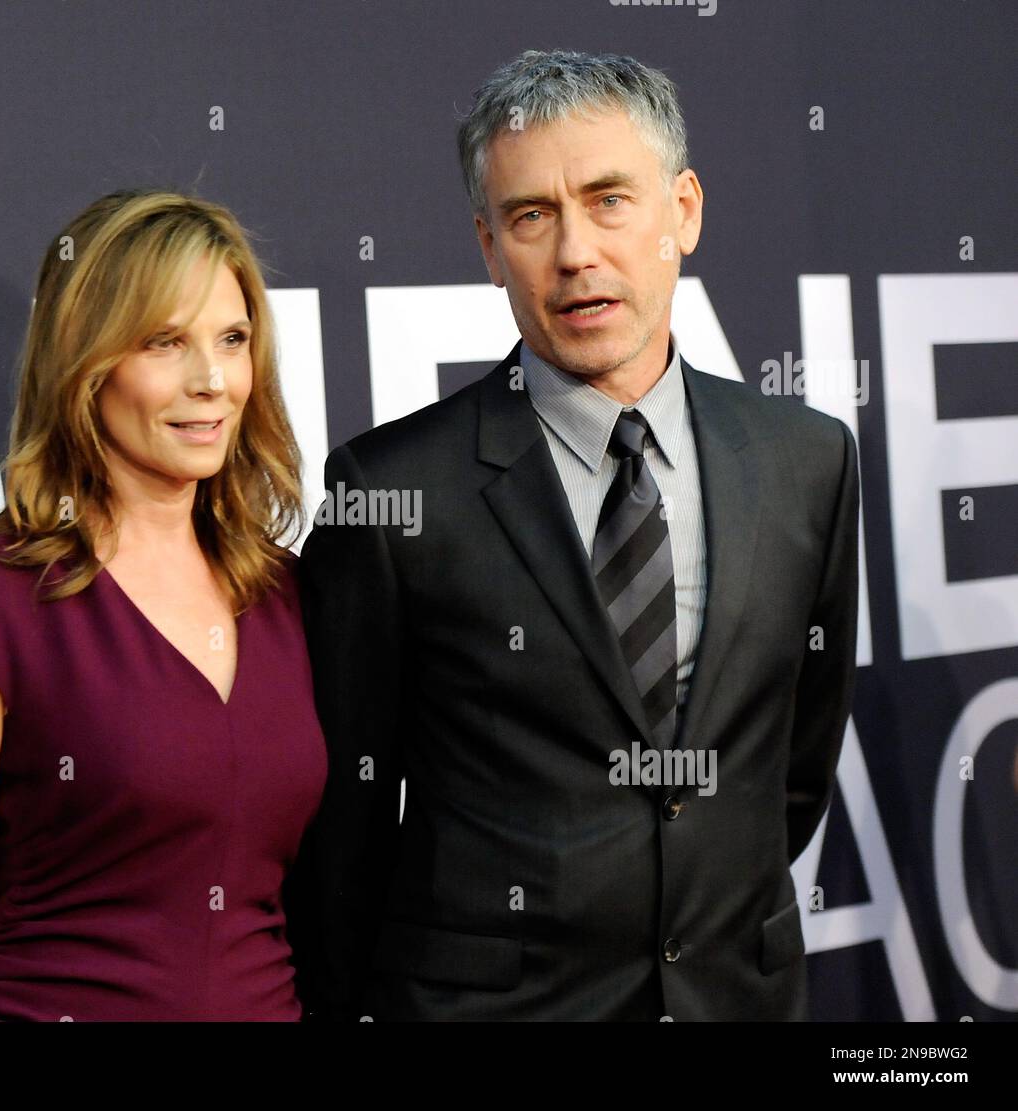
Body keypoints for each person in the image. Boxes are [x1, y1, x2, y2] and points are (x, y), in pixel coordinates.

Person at [287, 50, 860, 1021]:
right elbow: (341, 828)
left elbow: (791, 771)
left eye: (607, 200)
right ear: (486, 245)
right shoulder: (387, 491)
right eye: (530, 216)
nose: (574, 254)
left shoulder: (807, 459)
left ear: (683, 210)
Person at [0, 190, 327, 1020]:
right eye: (165, 343)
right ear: (87, 362)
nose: (211, 381)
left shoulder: (288, 596)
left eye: (232, 339)